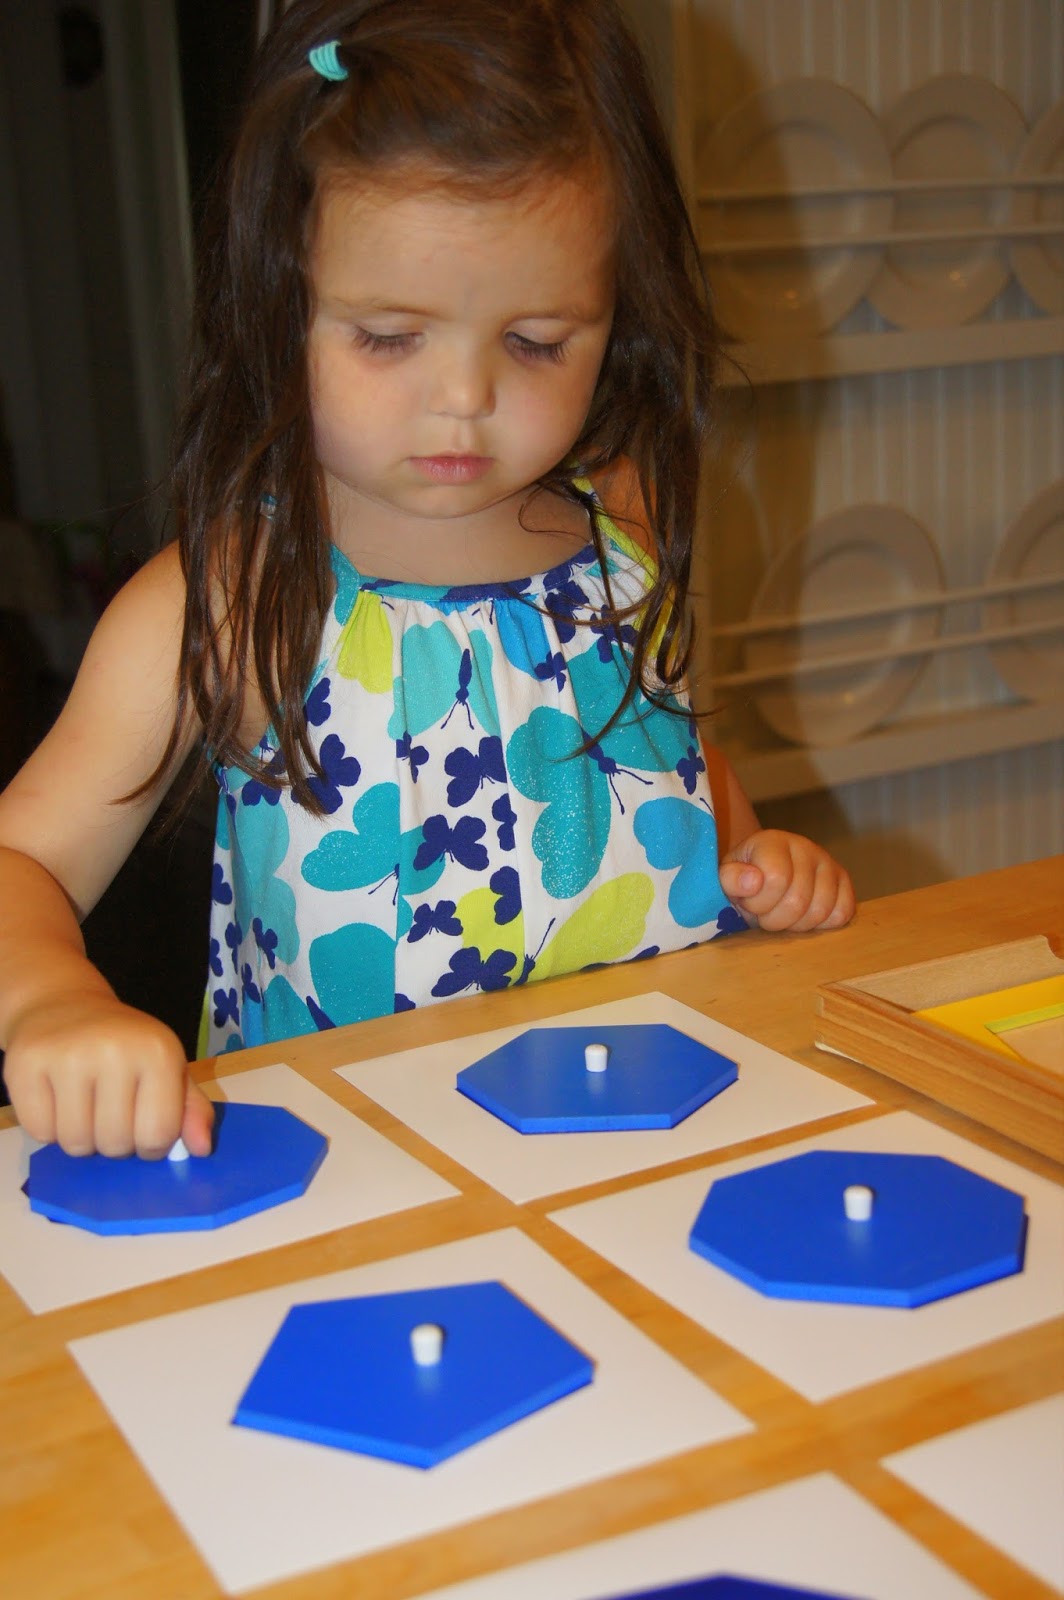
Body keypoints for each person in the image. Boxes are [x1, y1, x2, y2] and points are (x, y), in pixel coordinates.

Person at [0, 0, 854, 1160]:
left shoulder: (621, 552)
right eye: (390, 336)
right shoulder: (235, 599)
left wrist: (761, 870)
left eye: (537, 340)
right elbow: (24, 859)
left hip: (652, 1171)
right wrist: (50, 1001)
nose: (463, 399)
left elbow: (676, 773)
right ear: (280, 300)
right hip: (358, 1208)